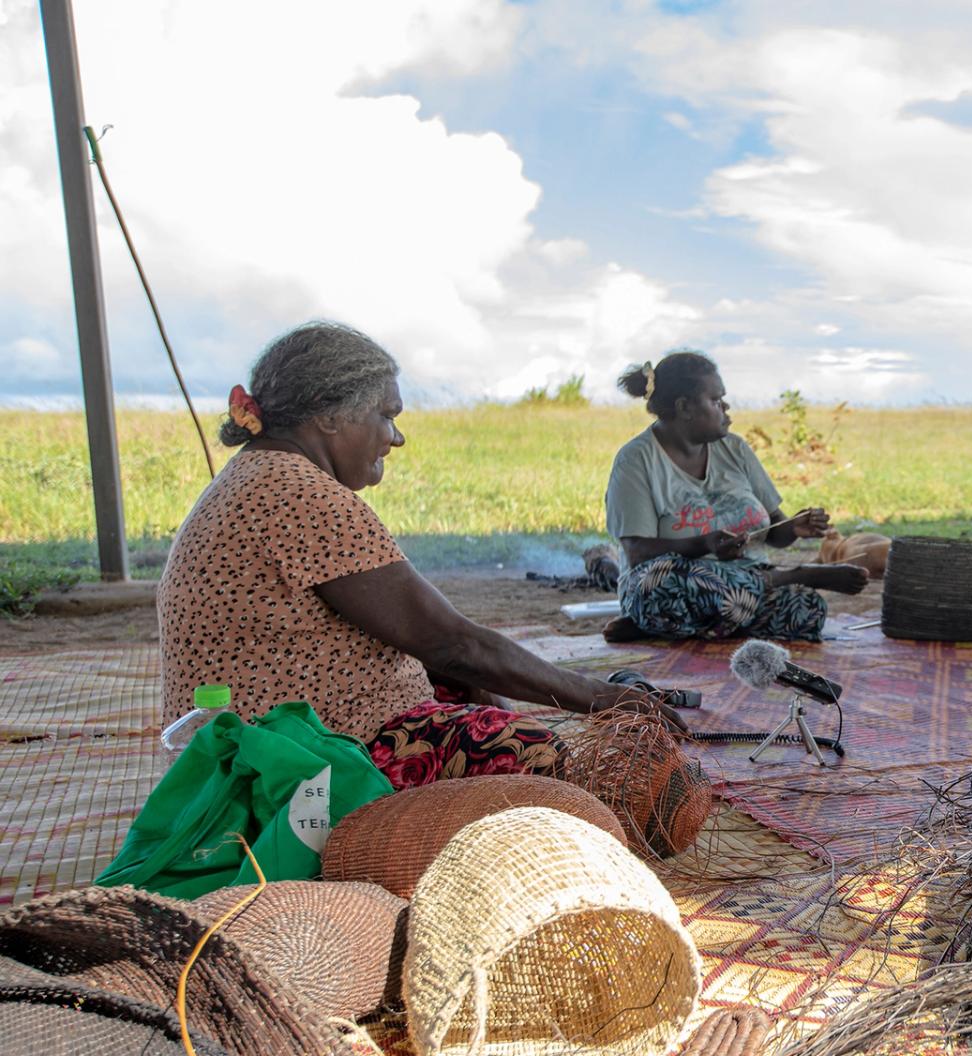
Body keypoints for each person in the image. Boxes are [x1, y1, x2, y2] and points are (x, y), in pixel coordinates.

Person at [158, 322, 678, 790]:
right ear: (330, 414)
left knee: (466, 681)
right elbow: (451, 641)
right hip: (290, 765)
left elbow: (438, 641)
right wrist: (601, 699)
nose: (396, 438)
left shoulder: (264, 476)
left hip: (256, 739)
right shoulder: (304, 497)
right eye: (386, 416)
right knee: (532, 752)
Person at [604, 351, 866, 642]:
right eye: (716, 400)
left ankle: (679, 626)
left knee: (807, 609)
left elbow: (775, 533)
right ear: (685, 407)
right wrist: (704, 543)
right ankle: (793, 576)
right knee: (669, 586)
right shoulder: (636, 461)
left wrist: (793, 527)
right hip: (668, 584)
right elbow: (637, 552)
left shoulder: (735, 450)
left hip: (739, 585)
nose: (726, 407)